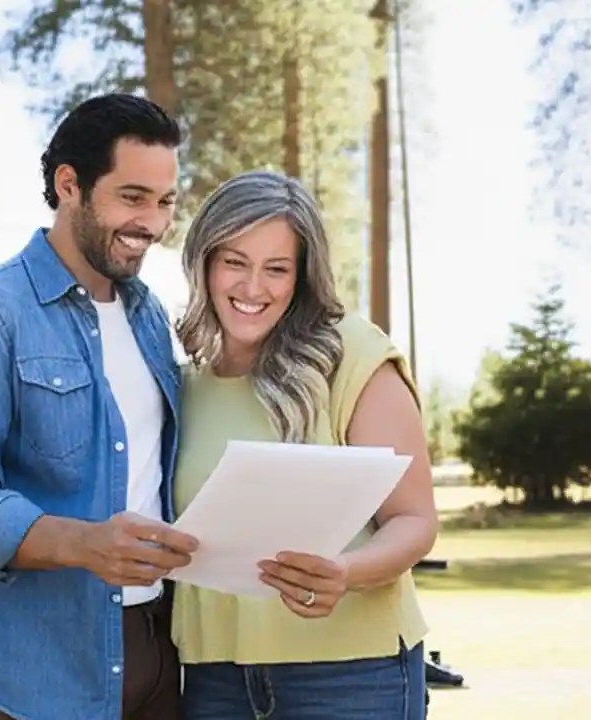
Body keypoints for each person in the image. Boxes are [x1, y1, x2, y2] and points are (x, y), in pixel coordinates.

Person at [0, 92, 200, 720]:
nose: (152, 223)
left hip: (155, 651)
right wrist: (84, 544)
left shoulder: (150, 316)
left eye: (164, 201)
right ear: (68, 185)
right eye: (132, 198)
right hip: (33, 664)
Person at [170, 170, 438, 719]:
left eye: (276, 269)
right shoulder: (181, 383)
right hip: (215, 681)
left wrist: (346, 573)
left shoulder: (353, 357)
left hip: (352, 677)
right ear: (204, 261)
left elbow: (415, 521)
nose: (252, 288)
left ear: (302, 277)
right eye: (235, 262)